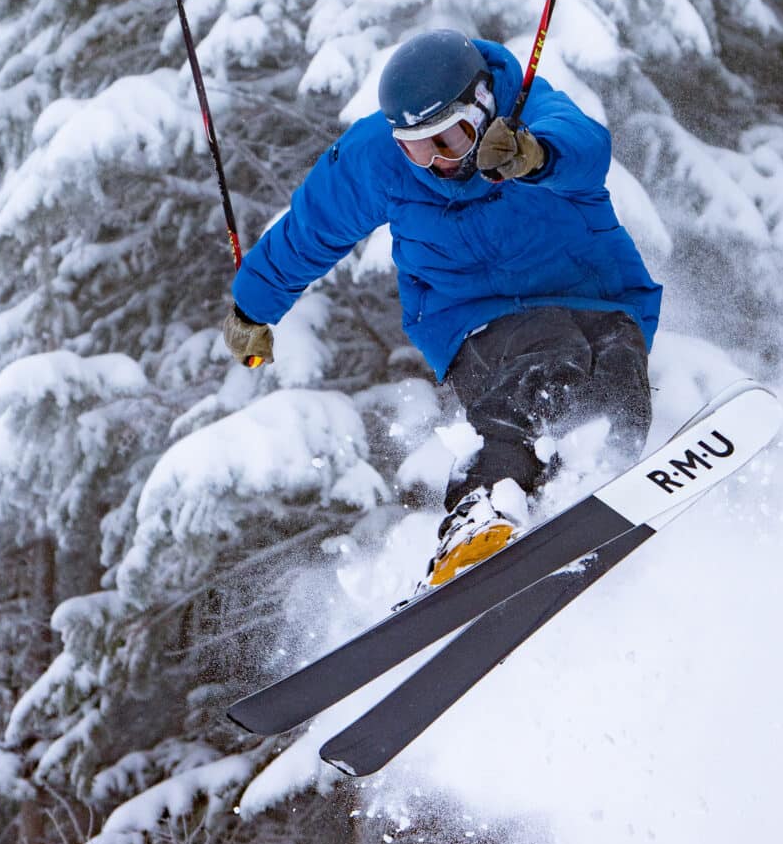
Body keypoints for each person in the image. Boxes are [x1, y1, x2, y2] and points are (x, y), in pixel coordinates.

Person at [223, 29, 662, 586]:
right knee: (541, 365)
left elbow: (586, 146)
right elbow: (312, 229)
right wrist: (253, 308)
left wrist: (535, 154)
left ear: (481, 107)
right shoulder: (376, 159)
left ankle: (580, 495)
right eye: (416, 147)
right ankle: (481, 509)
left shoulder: (528, 110)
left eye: (449, 141)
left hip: (598, 296)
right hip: (473, 316)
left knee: (615, 381)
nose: (435, 163)